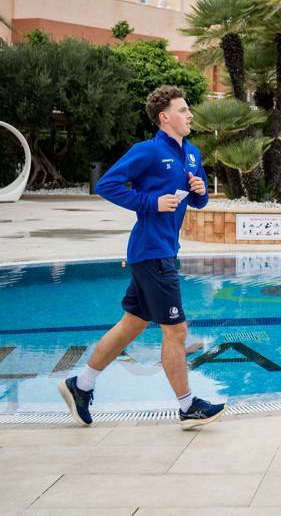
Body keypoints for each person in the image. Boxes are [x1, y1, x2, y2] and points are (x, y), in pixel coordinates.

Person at [58, 85, 226, 430]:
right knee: (176, 332)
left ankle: (81, 385)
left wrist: (200, 191)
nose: (189, 114)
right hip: (151, 252)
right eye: (183, 110)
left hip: (163, 250)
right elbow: (108, 184)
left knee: (131, 325)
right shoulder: (147, 151)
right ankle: (188, 406)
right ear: (165, 118)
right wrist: (150, 203)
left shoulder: (191, 153)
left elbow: (200, 202)